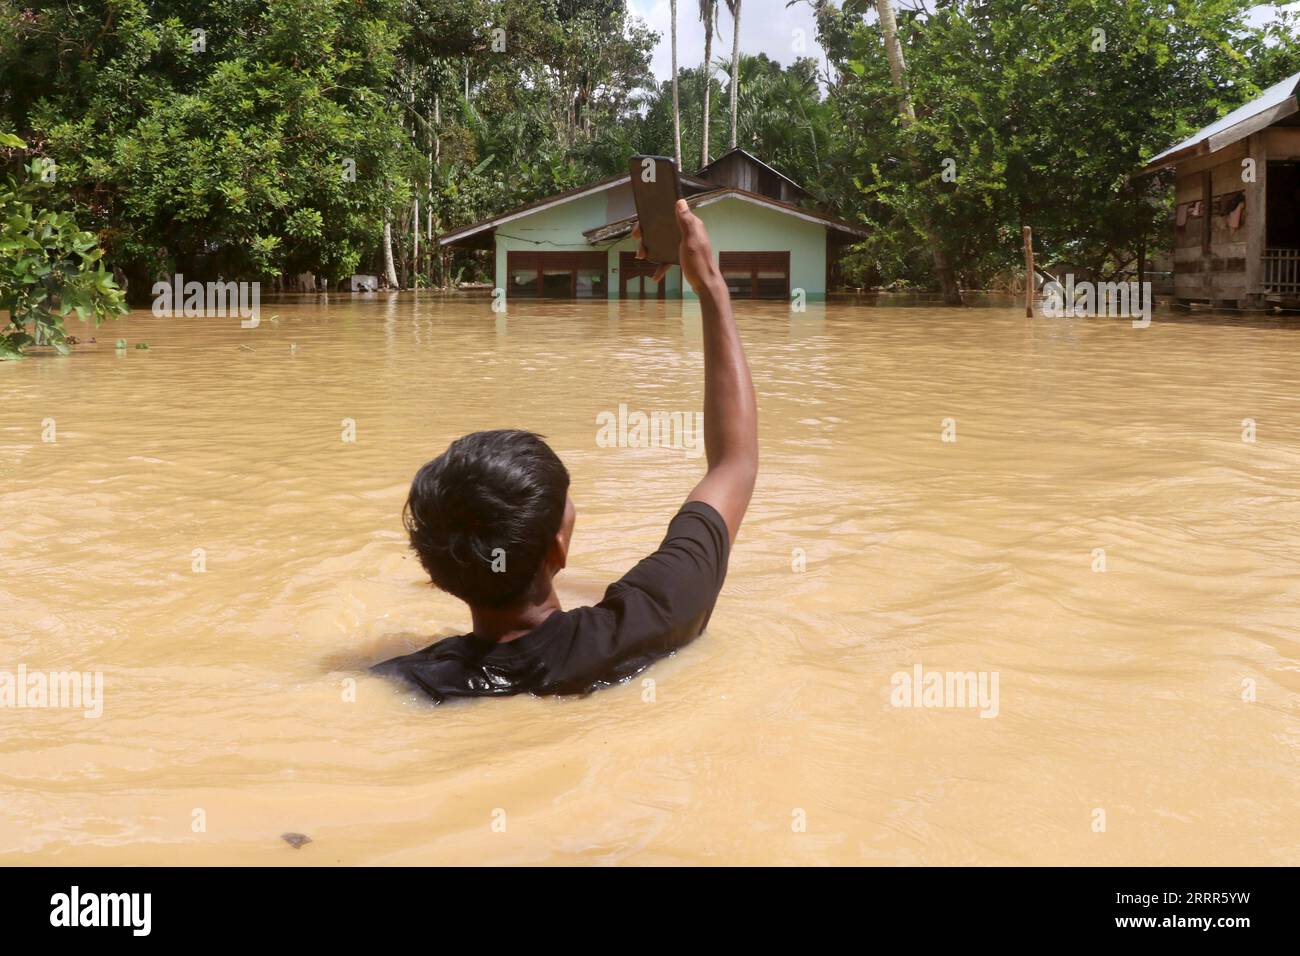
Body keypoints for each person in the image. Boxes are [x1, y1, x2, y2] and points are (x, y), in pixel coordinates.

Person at [373, 200, 757, 701]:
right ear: (557, 547)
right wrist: (710, 285)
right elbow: (735, 464)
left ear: (436, 574)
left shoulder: (408, 679)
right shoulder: (646, 623)